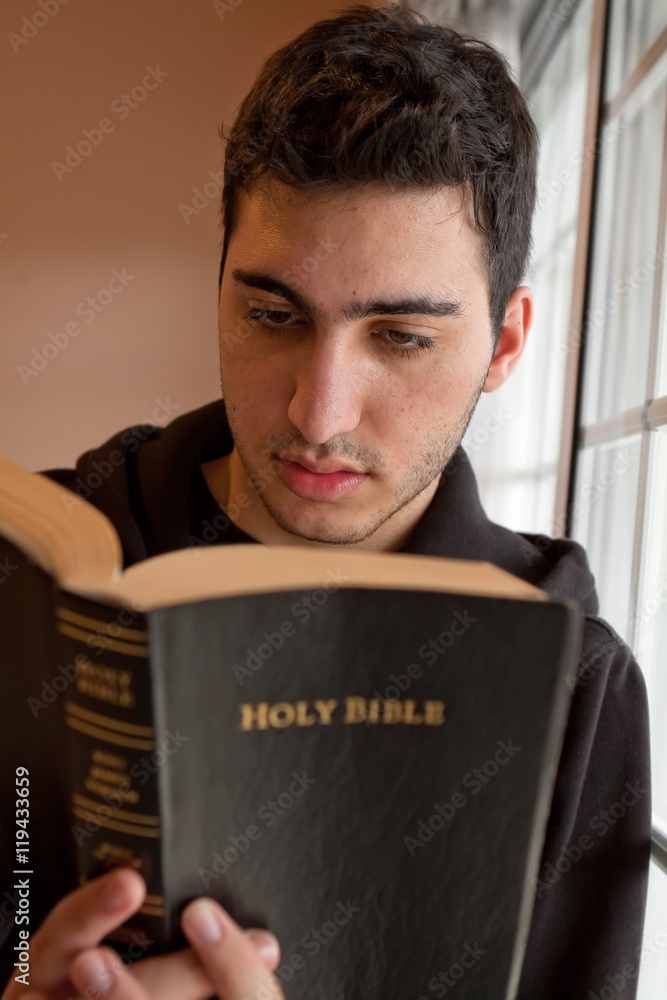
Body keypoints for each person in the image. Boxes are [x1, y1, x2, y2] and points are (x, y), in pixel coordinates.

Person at [1, 4, 651, 998]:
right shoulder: (34, 570)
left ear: (504, 344)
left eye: (398, 336)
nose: (317, 411)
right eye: (271, 314)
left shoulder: (572, 684)